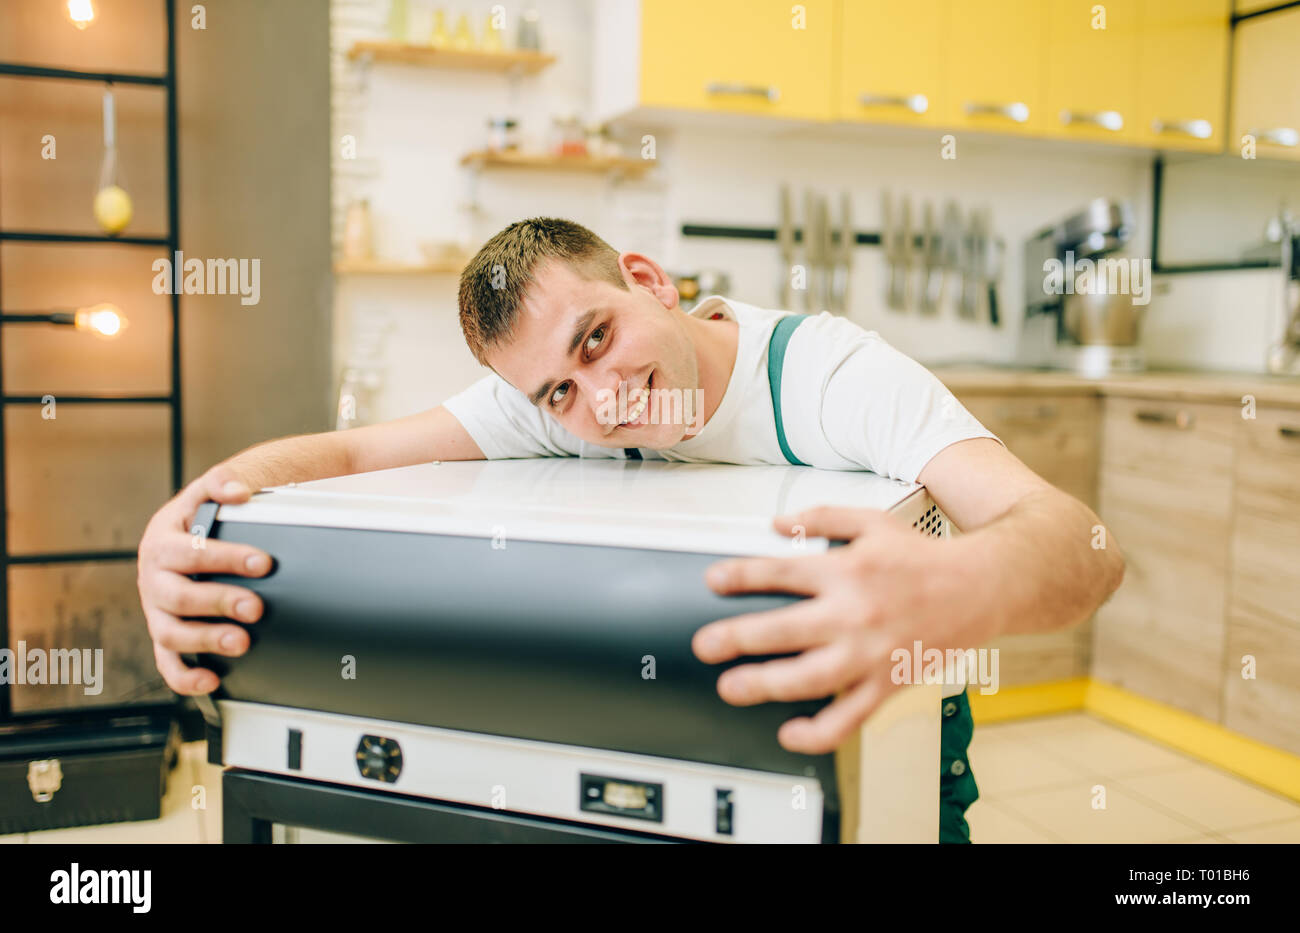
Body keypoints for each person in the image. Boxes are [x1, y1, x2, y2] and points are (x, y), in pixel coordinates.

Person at [136, 217, 1124, 842]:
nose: (602, 400)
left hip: (893, 718)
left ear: (649, 280)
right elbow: (349, 454)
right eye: (557, 388)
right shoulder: (551, 403)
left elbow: (1081, 544)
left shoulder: (832, 377)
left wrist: (947, 588)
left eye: (598, 337)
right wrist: (182, 524)